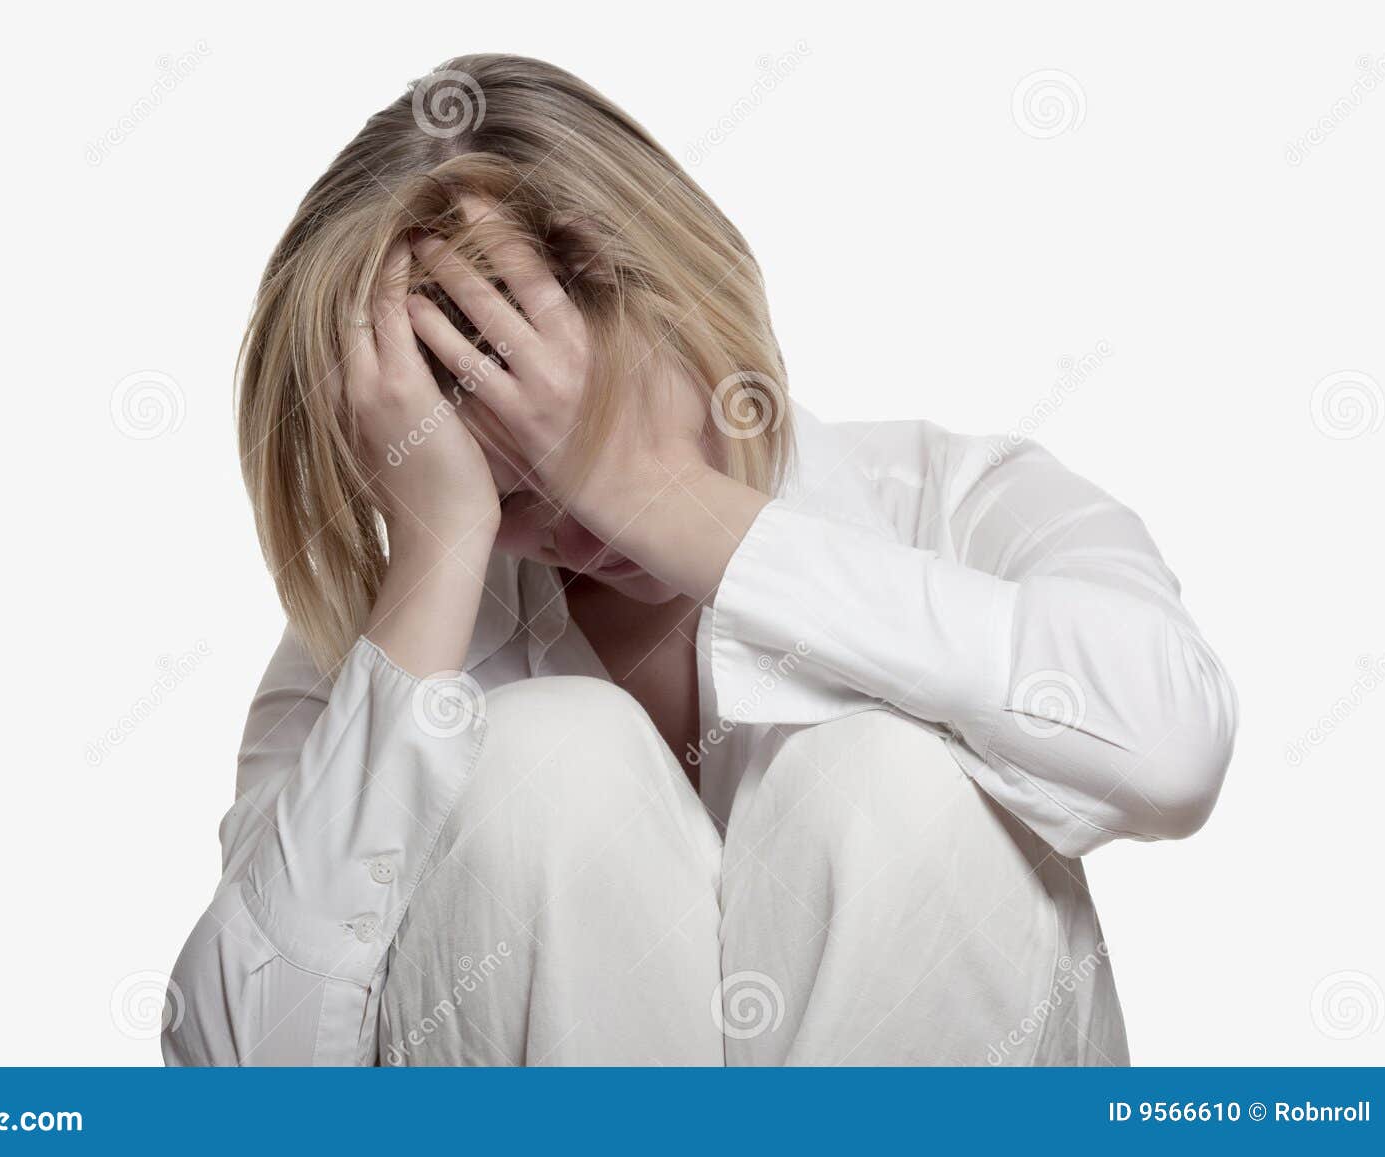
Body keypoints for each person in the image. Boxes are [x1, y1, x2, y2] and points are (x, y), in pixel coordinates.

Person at [161, 53, 1237, 1067]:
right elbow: (239, 1087)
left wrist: (666, 499)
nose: (567, 519)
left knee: (892, 779)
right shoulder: (389, 639)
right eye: (497, 489)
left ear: (672, 289)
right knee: (546, 756)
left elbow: (1171, 750)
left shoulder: (955, 501)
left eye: (573, 430)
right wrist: (440, 555)